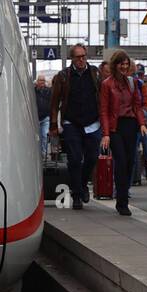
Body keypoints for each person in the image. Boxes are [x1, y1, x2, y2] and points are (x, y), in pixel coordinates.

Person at [50, 44, 102, 210]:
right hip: (71, 123)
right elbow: (54, 102)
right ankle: (77, 194)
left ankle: (82, 184)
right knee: (74, 158)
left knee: (92, 157)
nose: (81, 60)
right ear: (72, 58)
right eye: (78, 57)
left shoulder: (95, 73)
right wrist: (53, 125)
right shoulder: (63, 76)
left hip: (92, 123)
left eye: (83, 56)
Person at [100, 50, 147, 216]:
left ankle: (123, 194)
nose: (124, 67)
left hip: (131, 125)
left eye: (127, 64)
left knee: (130, 163)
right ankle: (122, 201)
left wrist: (142, 123)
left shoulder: (133, 83)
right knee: (121, 162)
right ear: (116, 65)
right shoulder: (107, 84)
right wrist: (106, 133)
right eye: (122, 64)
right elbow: (104, 110)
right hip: (115, 127)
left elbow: (137, 105)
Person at [35, 74, 52, 162]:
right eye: (40, 80)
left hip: (45, 117)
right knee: (37, 137)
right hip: (35, 117)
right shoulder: (33, 91)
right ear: (37, 81)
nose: (42, 82)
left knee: (44, 135)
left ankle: (44, 154)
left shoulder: (48, 91)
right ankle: (36, 154)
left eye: (43, 81)